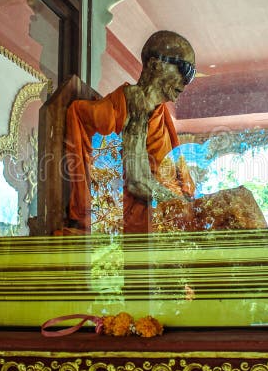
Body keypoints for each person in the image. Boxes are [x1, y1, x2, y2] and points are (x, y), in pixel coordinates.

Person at [64, 30, 196, 231]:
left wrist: (186, 204)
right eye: (184, 69)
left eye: (191, 74)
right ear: (154, 65)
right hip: (140, 226)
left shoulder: (160, 115)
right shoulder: (128, 106)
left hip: (166, 217)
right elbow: (137, 183)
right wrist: (183, 206)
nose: (185, 82)